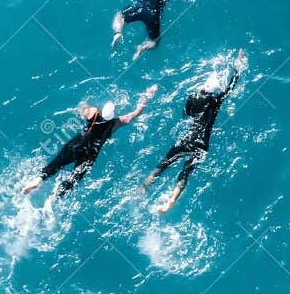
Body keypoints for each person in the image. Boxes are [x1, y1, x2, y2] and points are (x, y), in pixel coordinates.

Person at [143, 51, 244, 213]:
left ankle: (144, 187)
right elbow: (230, 88)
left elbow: (186, 114)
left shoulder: (191, 97)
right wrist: (238, 69)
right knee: (185, 174)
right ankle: (170, 201)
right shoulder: (216, 101)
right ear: (214, 91)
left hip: (187, 138)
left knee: (164, 163)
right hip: (202, 145)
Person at [22, 87, 157, 198]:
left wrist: (82, 110)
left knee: (56, 163)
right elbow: (136, 113)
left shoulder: (93, 113)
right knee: (75, 178)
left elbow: (81, 109)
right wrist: (147, 95)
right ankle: (56, 198)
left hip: (79, 143)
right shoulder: (116, 123)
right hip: (91, 152)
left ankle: (38, 180)